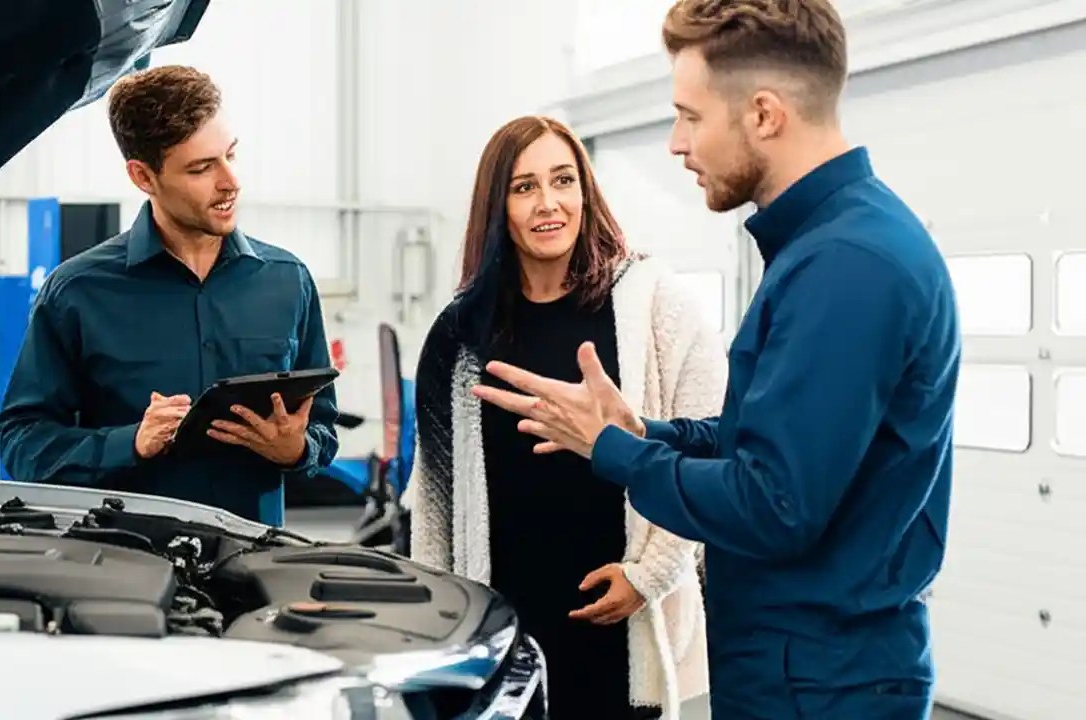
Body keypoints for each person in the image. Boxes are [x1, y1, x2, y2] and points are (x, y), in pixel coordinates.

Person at [471, 2, 961, 719]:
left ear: (763, 114)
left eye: (690, 116)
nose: (676, 142)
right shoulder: (827, 247)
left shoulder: (846, 267)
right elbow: (759, 442)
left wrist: (613, 452)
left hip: (820, 680)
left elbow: (774, 505)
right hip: (801, 665)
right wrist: (648, 432)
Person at [407, 115, 728, 719]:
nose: (549, 203)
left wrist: (649, 574)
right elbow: (435, 499)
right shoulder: (459, 334)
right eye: (524, 187)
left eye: (563, 180)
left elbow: (706, 454)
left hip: (627, 616)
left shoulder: (656, 304)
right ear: (497, 205)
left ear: (586, 190)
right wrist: (443, 620)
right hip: (506, 622)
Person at [0, 65, 338, 527]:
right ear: (143, 176)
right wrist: (129, 442)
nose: (229, 182)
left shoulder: (287, 281)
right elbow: (23, 442)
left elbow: (323, 429)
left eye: (230, 156)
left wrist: (296, 449)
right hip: (126, 568)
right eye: (201, 168)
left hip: (256, 564)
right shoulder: (77, 292)